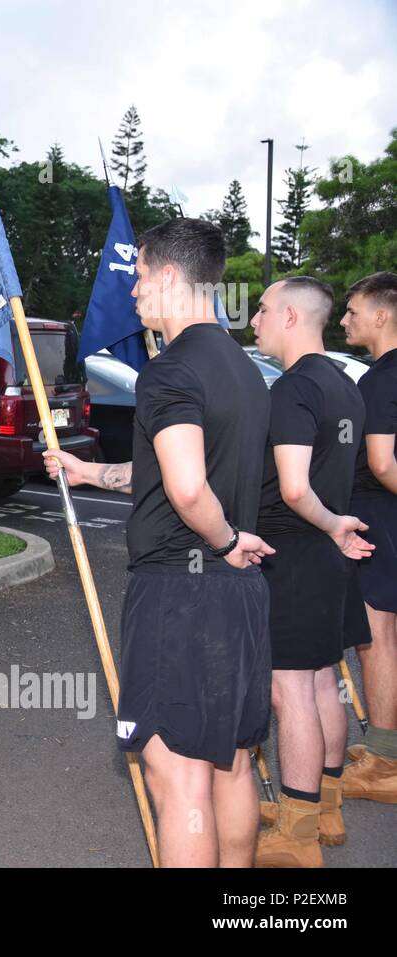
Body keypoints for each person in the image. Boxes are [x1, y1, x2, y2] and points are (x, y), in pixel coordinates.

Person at [44, 218, 273, 867]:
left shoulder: (169, 370)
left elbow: (188, 489)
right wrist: (93, 473)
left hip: (182, 592)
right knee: (228, 762)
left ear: (170, 276)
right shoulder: (244, 368)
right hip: (238, 598)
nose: (135, 291)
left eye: (139, 276)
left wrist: (225, 538)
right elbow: (173, 469)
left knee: (177, 777)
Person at [247, 277, 371, 866]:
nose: (255, 320)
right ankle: (324, 807)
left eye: (265, 310)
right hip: (324, 556)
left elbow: (295, 489)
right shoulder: (344, 384)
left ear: (292, 317)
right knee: (324, 681)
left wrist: (330, 525)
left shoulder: (293, 389)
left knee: (289, 689)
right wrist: (335, 529)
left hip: (298, 550)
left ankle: (296, 838)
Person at [339, 270, 397, 803]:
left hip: (379, 512)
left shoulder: (381, 378)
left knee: (375, 636)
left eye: (353, 310)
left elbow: (381, 463)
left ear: (381, 314)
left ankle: (382, 761)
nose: (345, 319)